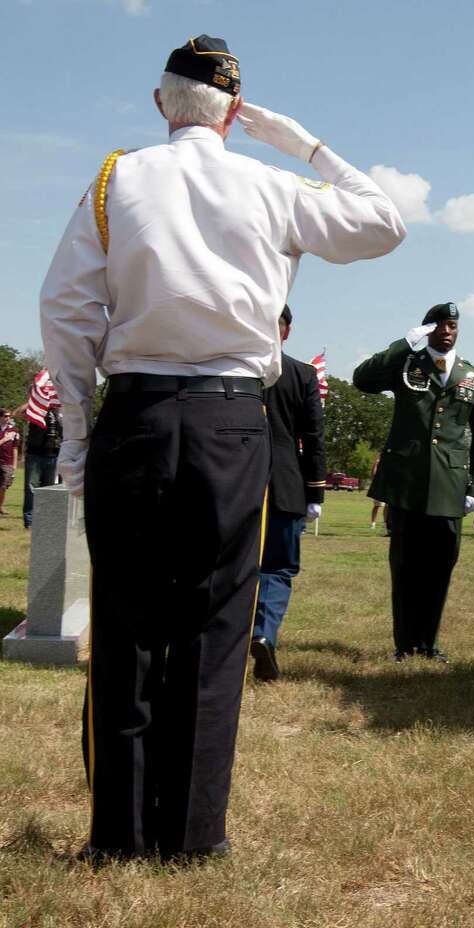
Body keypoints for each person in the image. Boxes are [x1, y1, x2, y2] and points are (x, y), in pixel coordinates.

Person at [39, 35, 405, 862]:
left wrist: (75, 431)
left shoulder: (115, 178)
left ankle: (121, 838)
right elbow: (385, 223)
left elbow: (66, 310)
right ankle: (194, 835)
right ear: (236, 113)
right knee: (214, 630)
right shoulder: (270, 184)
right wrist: (297, 141)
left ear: (161, 103)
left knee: (128, 625)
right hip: (234, 421)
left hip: (135, 413)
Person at [353, 302, 474, 663]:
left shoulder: (472, 376)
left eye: (452, 325)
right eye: (438, 326)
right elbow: (362, 379)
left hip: (449, 486)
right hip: (405, 483)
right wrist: (403, 344)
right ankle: (404, 644)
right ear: (427, 329)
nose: (446, 331)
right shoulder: (406, 365)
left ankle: (429, 643)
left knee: (439, 567)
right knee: (404, 567)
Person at [248, 305, 327, 682]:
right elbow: (313, 438)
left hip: (236, 482)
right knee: (277, 569)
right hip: (284, 484)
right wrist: (315, 492)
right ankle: (264, 633)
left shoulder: (234, 367)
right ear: (287, 332)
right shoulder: (302, 374)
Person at [22, 403, 62, 528]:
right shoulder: (35, 411)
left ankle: (45, 521)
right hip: (35, 455)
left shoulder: (59, 413)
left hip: (52, 455)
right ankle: (30, 521)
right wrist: (34, 399)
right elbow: (16, 413)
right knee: (31, 488)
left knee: (48, 490)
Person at [0, 408, 20, 516]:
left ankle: (0, 506)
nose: (8, 418)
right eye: (5, 416)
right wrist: (5, 439)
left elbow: (15, 448)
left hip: (7, 462)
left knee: (4, 486)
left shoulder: (14, 431)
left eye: (9, 416)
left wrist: (15, 465)